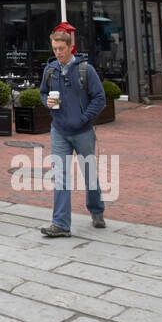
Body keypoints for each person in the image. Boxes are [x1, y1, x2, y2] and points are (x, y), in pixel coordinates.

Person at [38, 28, 108, 238]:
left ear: (70, 47)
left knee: (89, 173)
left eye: (61, 48)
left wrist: (84, 118)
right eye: (55, 48)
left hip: (83, 132)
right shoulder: (50, 70)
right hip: (59, 130)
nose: (58, 52)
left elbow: (100, 98)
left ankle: (96, 210)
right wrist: (47, 102)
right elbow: (42, 92)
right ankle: (60, 224)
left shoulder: (86, 70)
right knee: (60, 175)